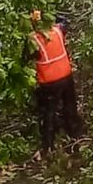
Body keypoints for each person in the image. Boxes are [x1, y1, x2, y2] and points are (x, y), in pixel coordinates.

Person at [24, 10, 82, 157]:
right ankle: (75, 139)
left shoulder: (33, 40)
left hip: (49, 82)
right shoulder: (57, 30)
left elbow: (26, 58)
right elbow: (65, 20)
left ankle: (47, 147)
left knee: (48, 114)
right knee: (70, 108)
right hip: (66, 76)